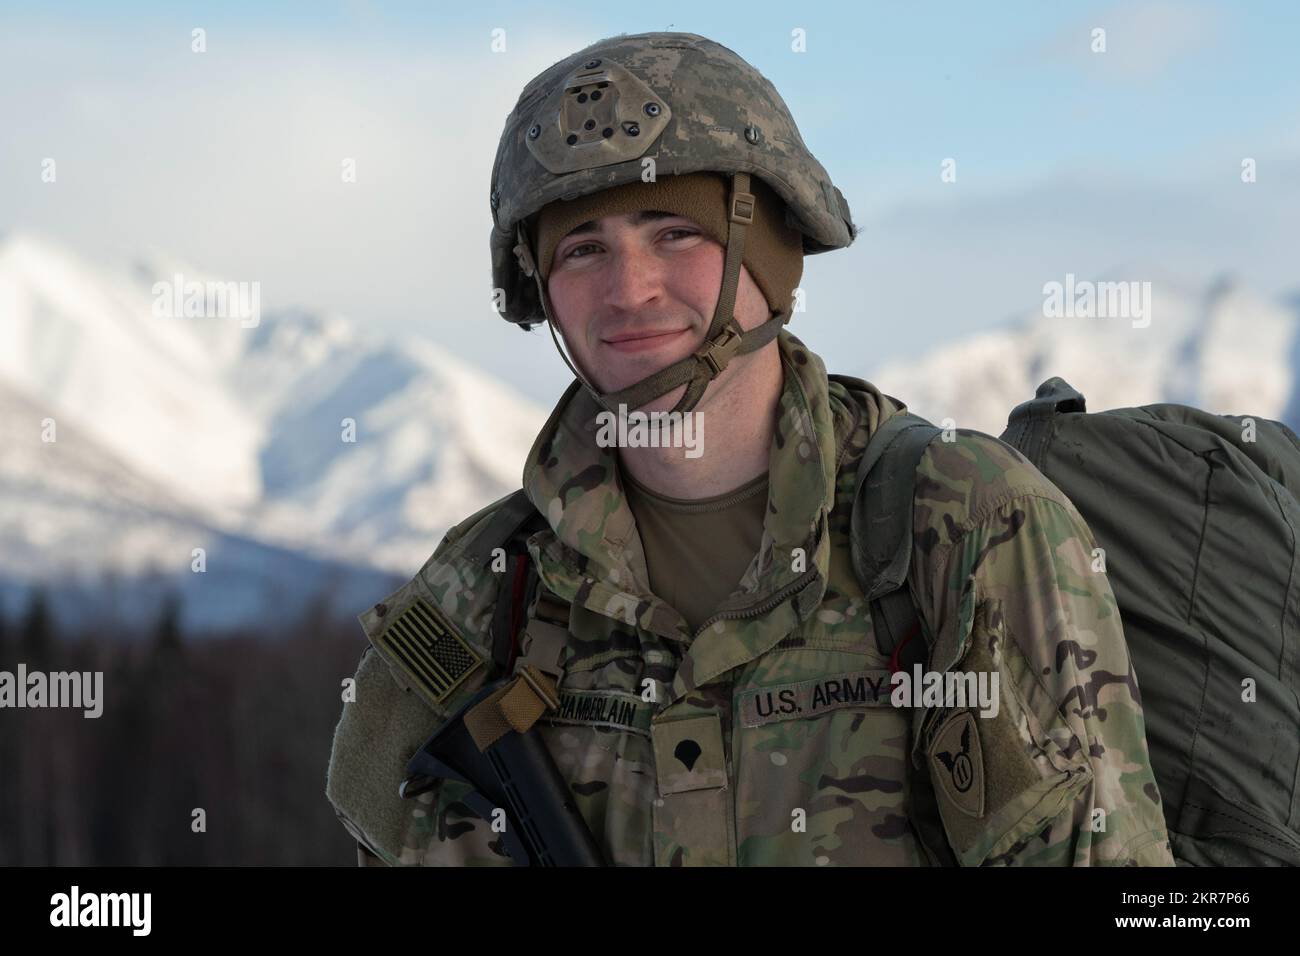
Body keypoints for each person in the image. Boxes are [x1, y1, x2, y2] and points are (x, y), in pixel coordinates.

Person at [326, 31, 1174, 867]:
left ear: (768, 252)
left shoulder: (960, 524)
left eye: (674, 233)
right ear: (540, 289)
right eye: (583, 249)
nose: (629, 290)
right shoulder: (483, 587)